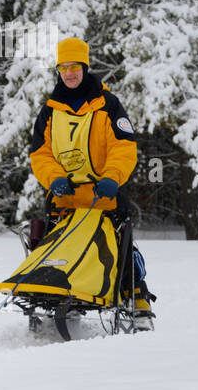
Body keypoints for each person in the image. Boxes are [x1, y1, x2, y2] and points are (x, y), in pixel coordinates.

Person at [28, 36, 153, 320]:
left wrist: (112, 177)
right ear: (58, 71)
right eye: (63, 67)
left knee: (118, 247)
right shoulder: (50, 110)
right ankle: (56, 292)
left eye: (75, 66)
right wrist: (54, 177)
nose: (69, 73)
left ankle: (136, 294)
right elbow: (40, 154)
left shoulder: (108, 104)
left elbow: (124, 147)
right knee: (53, 247)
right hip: (65, 198)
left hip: (104, 196)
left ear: (84, 67)